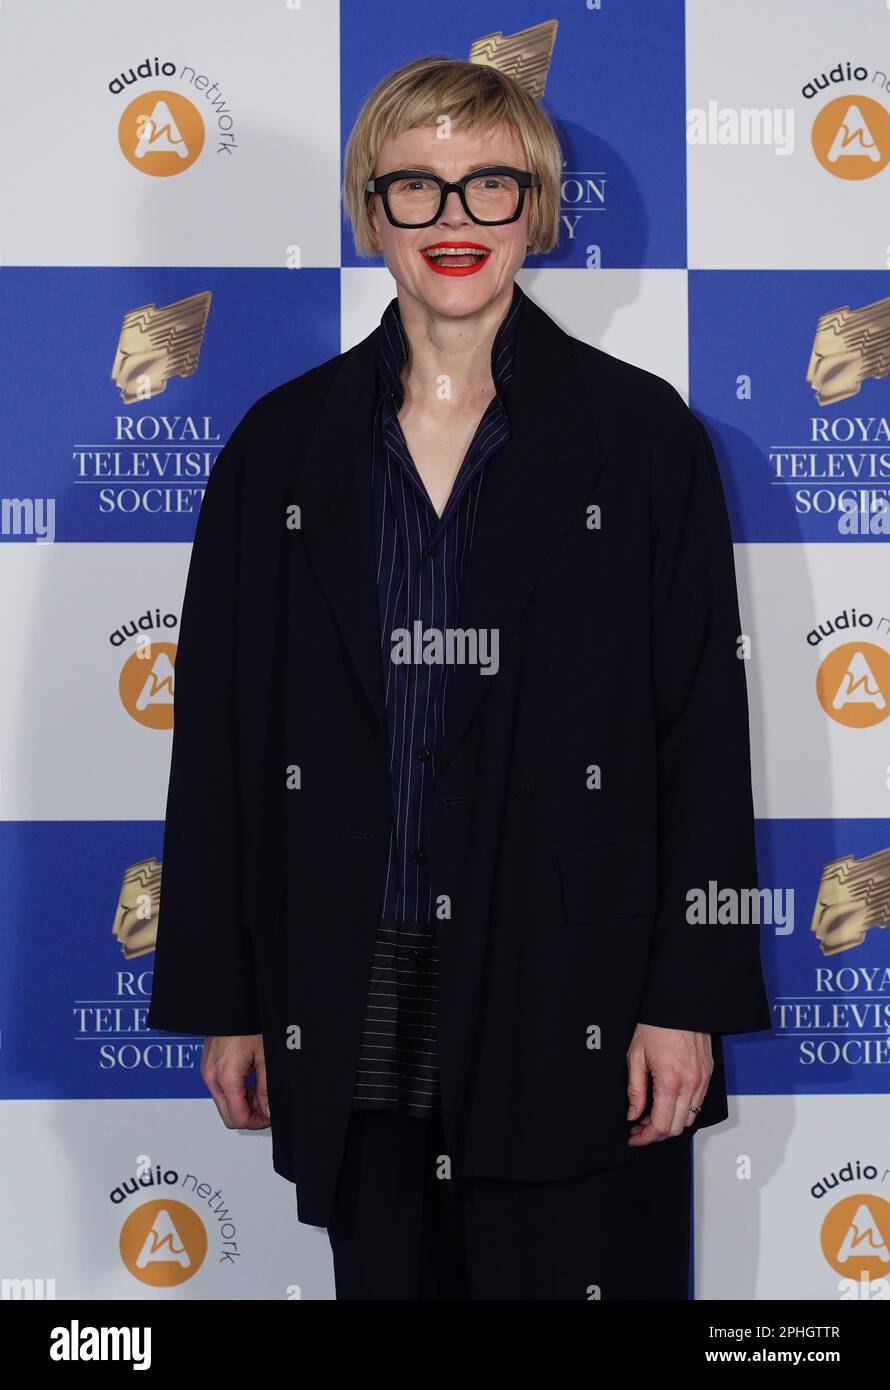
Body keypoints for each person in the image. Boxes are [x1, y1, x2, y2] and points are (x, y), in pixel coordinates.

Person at [147, 55, 771, 1301]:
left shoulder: (642, 438)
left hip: (572, 977)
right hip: (358, 968)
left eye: (489, 186)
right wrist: (228, 997)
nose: (453, 222)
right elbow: (219, 736)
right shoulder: (278, 446)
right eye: (416, 189)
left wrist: (682, 1001)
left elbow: (698, 730)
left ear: (535, 209)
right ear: (368, 211)